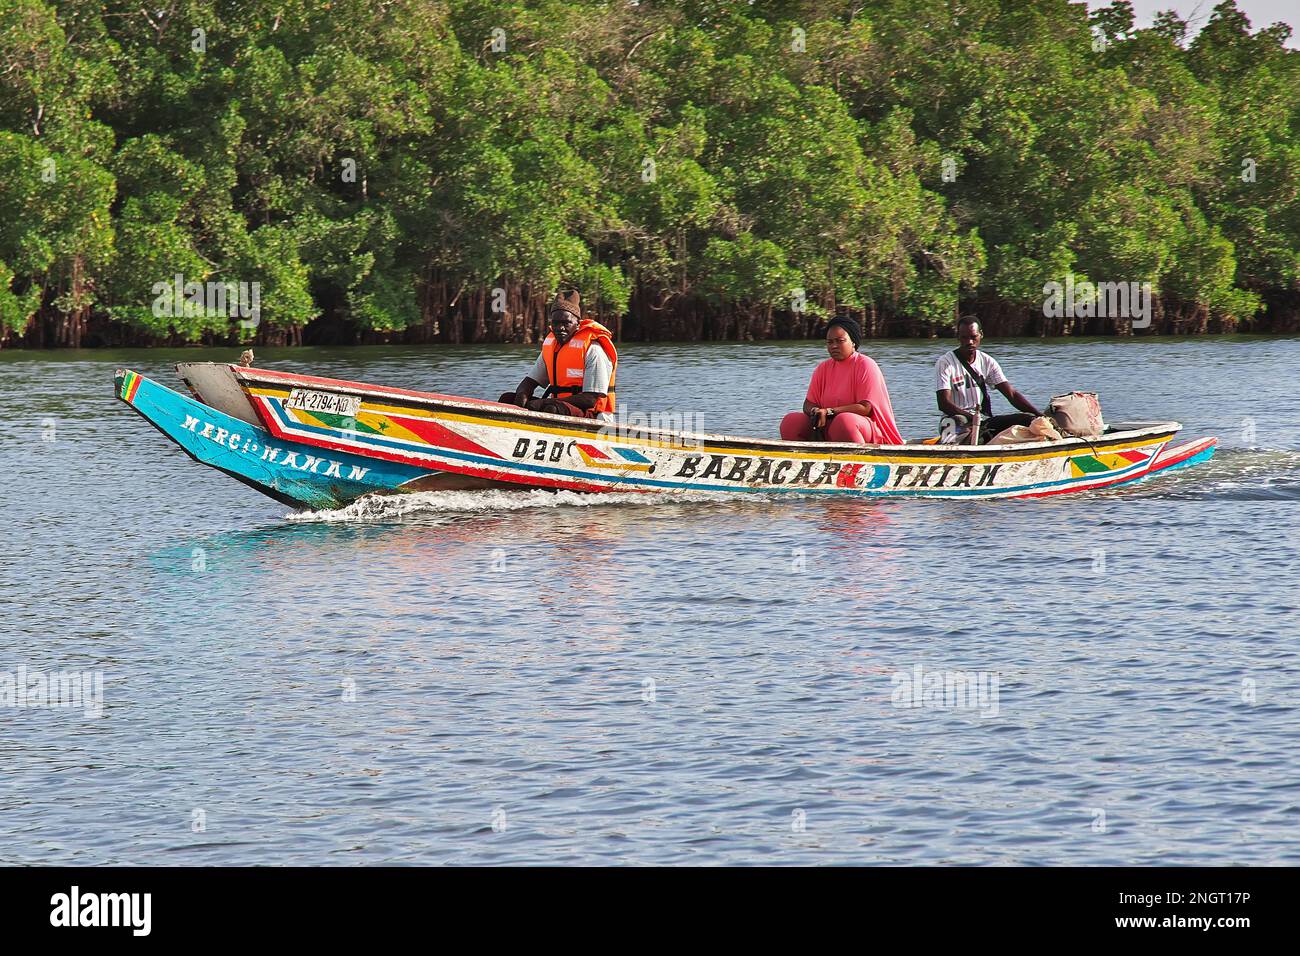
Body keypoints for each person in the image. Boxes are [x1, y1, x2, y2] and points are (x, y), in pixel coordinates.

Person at [779, 317, 904, 444]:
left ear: (853, 342)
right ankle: (804, 460)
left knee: (844, 421)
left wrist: (829, 411)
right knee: (791, 421)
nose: (834, 346)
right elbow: (808, 403)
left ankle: (857, 462)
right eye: (830, 342)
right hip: (826, 427)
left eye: (840, 341)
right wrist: (816, 411)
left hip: (864, 430)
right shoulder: (823, 368)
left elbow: (866, 408)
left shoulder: (865, 365)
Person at [499, 291, 617, 420]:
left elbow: (590, 400)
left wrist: (543, 402)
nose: (560, 328)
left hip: (593, 414)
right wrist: (522, 395)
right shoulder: (552, 347)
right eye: (555, 323)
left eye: (566, 323)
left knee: (551, 408)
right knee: (507, 398)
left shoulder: (594, 350)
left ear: (577, 324)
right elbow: (529, 382)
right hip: (560, 407)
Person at [935, 316, 1041, 443]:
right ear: (958, 337)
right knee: (957, 420)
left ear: (981, 335)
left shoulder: (987, 362)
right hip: (956, 419)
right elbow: (943, 404)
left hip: (982, 420)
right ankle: (950, 453)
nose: (969, 342)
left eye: (973, 337)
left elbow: (1011, 395)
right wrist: (972, 418)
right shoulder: (945, 363)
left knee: (1029, 419)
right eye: (964, 337)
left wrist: (1039, 415)